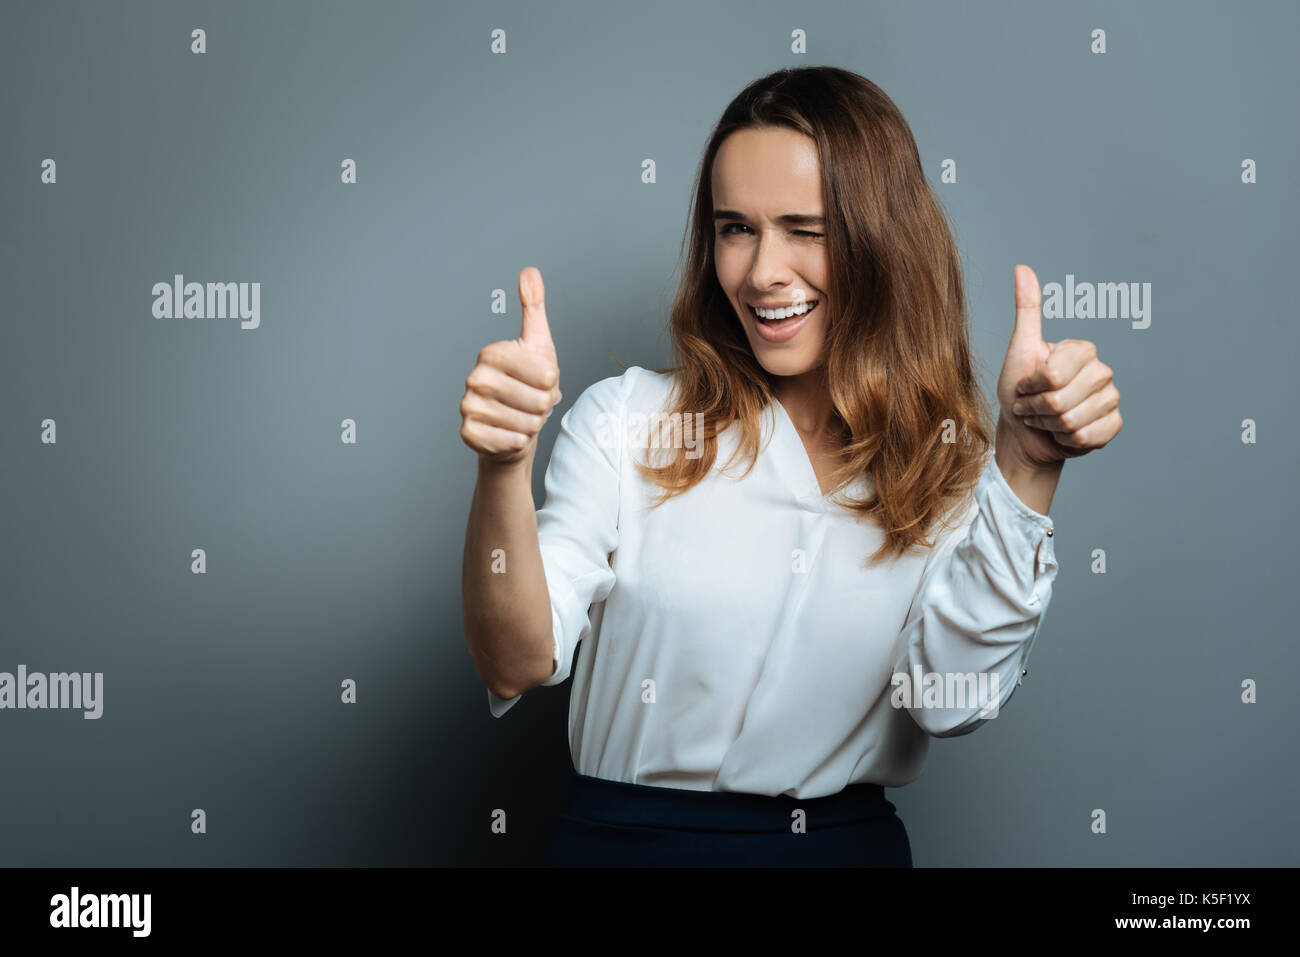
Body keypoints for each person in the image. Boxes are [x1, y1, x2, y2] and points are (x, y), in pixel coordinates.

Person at [459, 66, 1122, 867]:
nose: (762, 270)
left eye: (804, 228)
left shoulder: (947, 465)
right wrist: (504, 465)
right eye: (735, 227)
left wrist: (1028, 465)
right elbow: (518, 657)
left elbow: (958, 699)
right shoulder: (627, 421)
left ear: (883, 239)